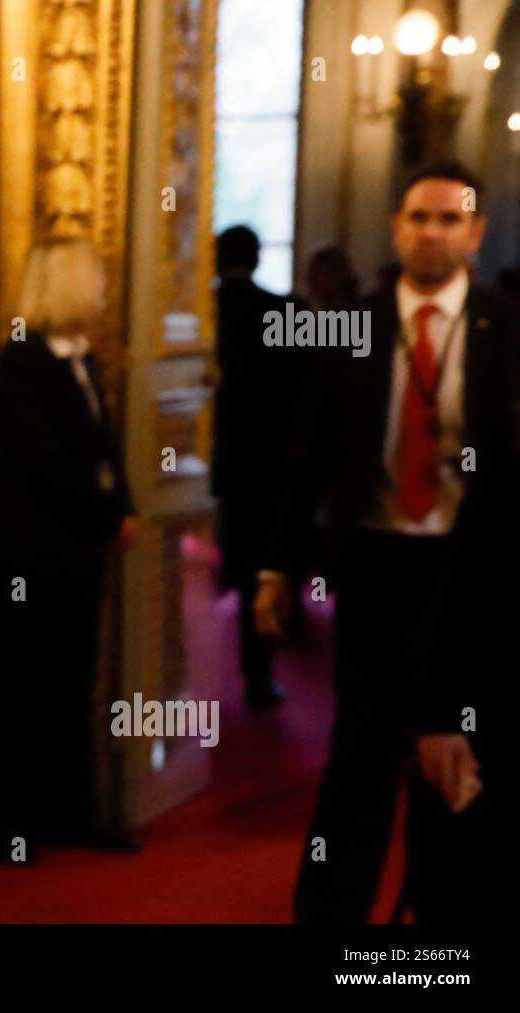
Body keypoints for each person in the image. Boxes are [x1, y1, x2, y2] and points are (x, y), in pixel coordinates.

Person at [255, 161, 520, 923]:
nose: (431, 233)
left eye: (449, 219)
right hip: (377, 563)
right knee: (361, 756)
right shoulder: (350, 325)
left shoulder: (508, 328)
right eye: (417, 217)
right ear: (395, 226)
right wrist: (277, 565)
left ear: (476, 231)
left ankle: (437, 920)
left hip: (474, 571)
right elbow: (304, 456)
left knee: (461, 747)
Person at [0, 237, 139, 864]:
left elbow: (103, 449)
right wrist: (106, 517)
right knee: (20, 688)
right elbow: (46, 464)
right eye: (94, 278)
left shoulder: (84, 358)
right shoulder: (21, 362)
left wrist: (120, 506)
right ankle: (13, 826)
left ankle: (71, 813)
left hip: (74, 549)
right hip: (28, 552)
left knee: (71, 686)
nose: (101, 291)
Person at [211, 226, 304, 708]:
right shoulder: (284, 312)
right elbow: (307, 393)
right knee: (259, 570)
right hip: (268, 462)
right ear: (258, 255)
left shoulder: (201, 312)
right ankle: (258, 675)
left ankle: (185, 684)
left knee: (207, 565)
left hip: (212, 456)